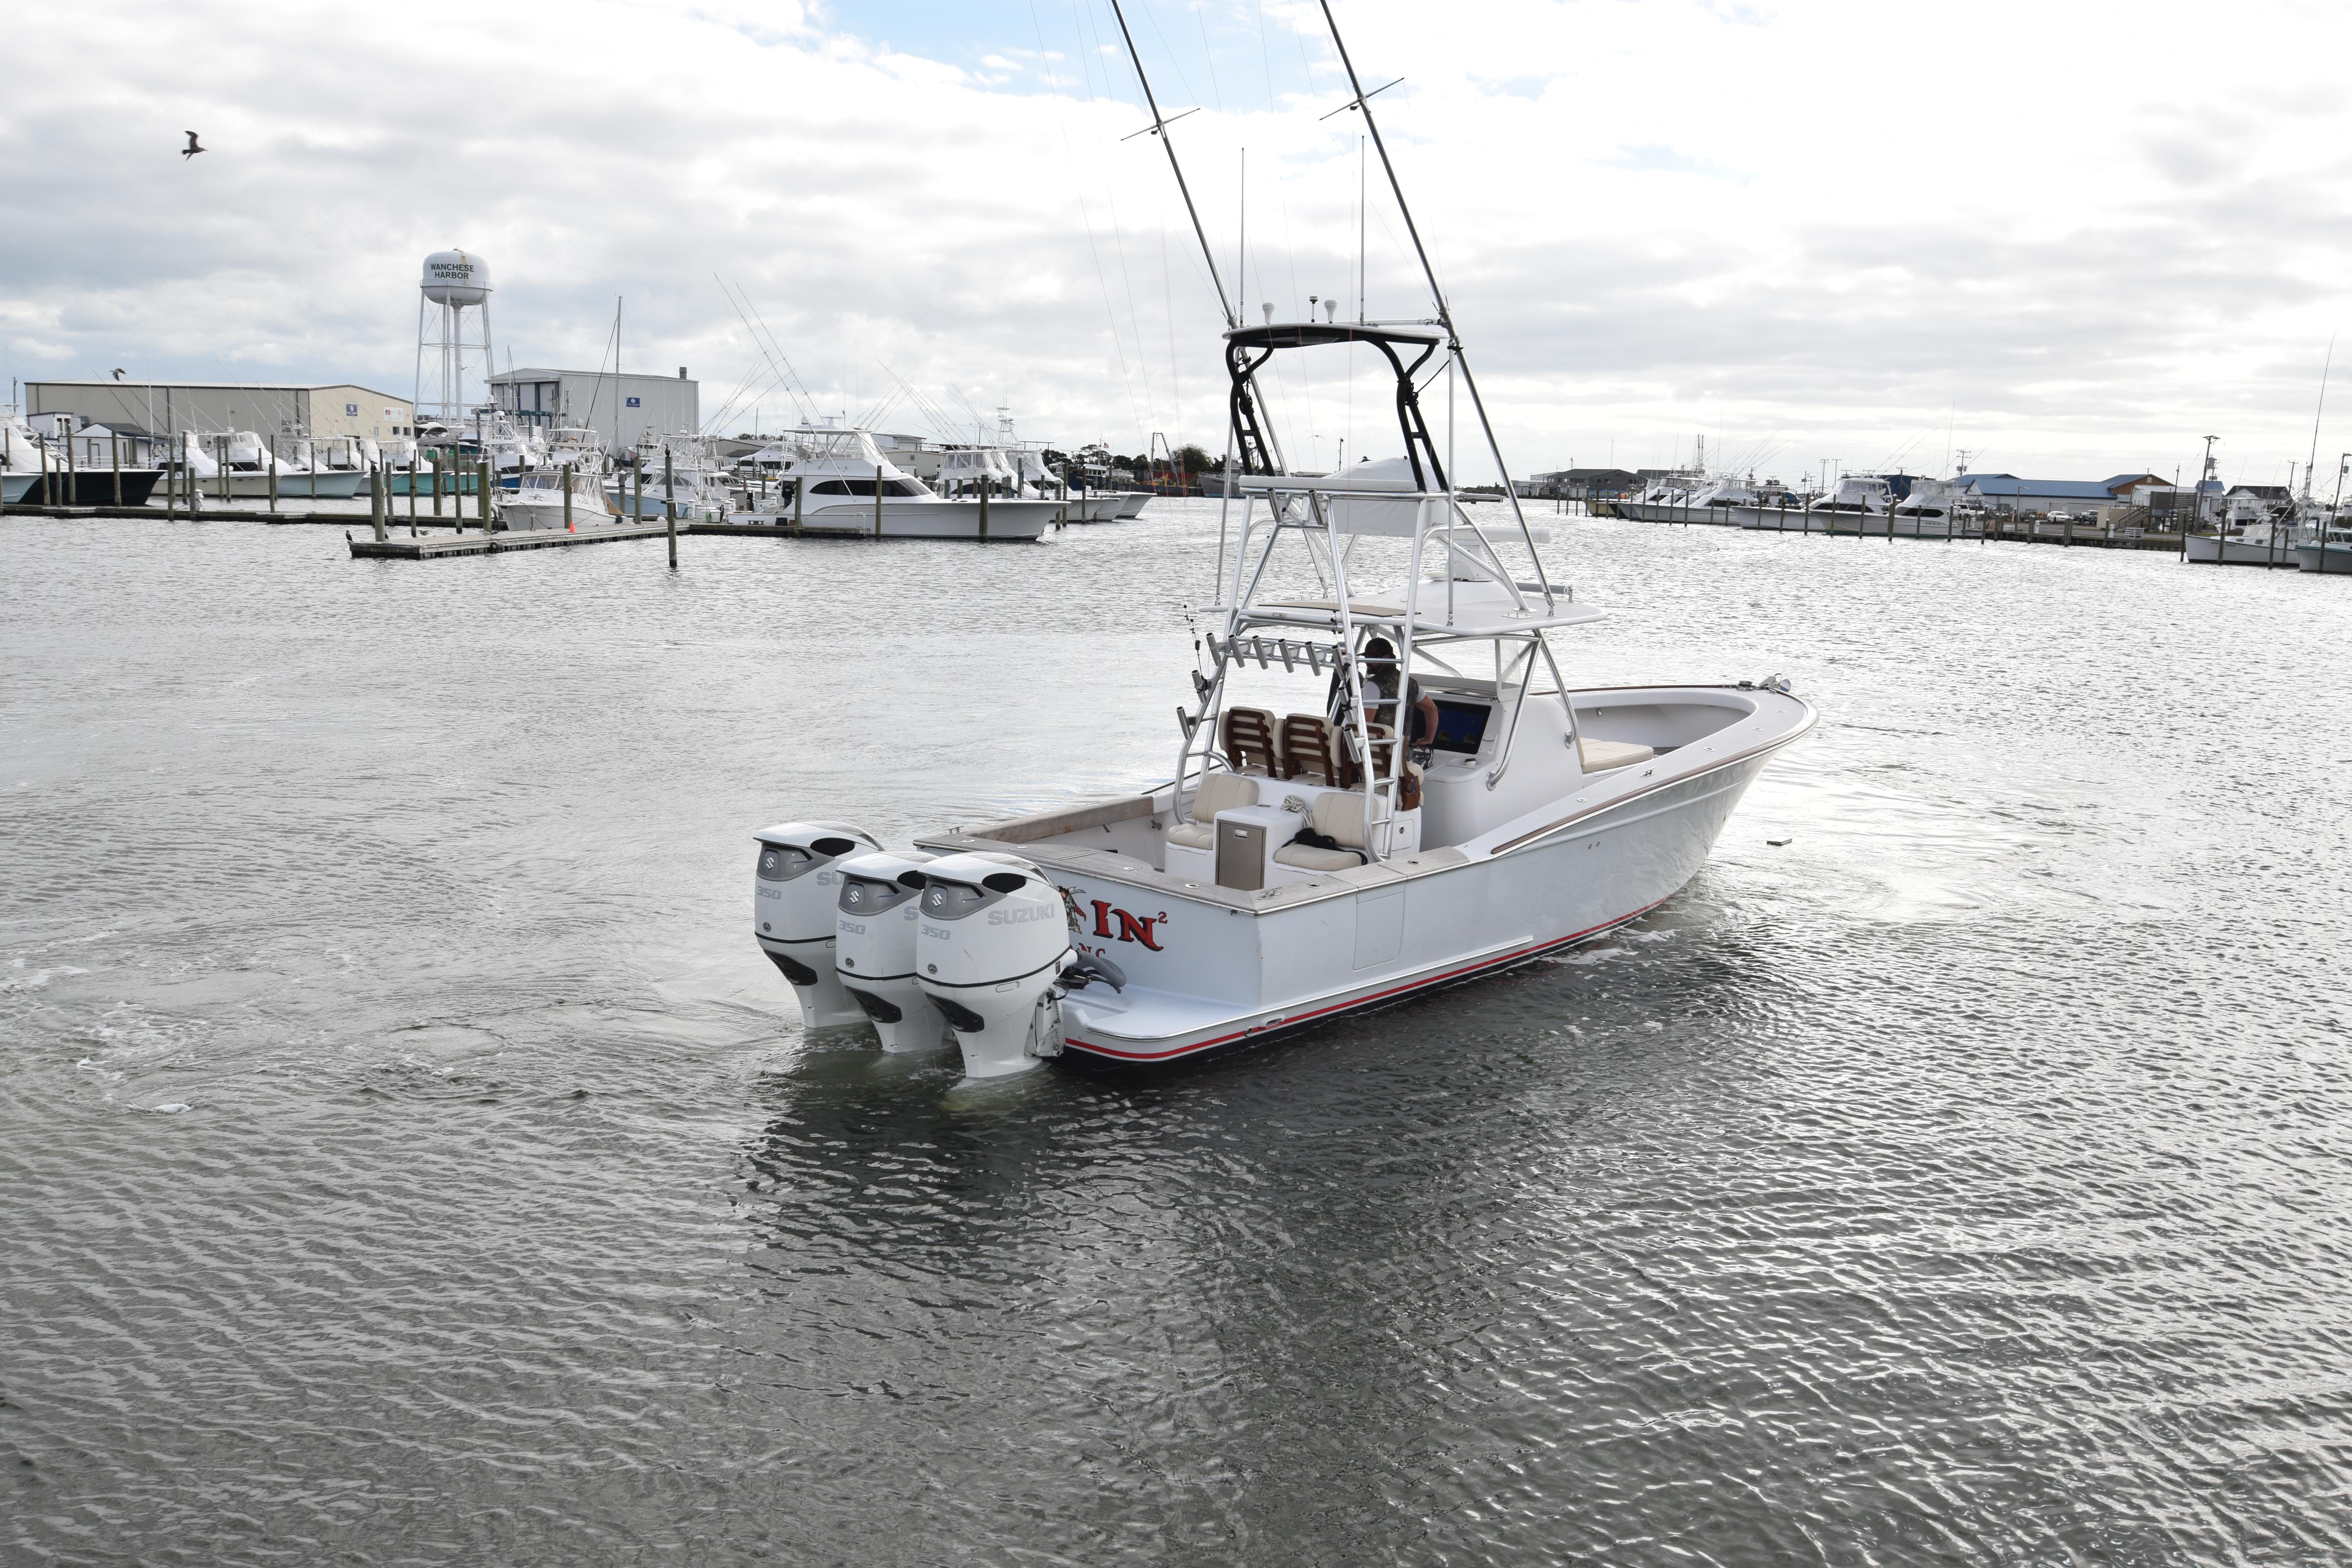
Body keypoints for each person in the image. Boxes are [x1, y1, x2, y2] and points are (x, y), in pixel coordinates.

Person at [1339, 637, 1437, 809]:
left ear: (1387, 658)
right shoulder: (1410, 683)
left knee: (1378, 797)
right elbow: (1432, 710)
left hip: (1377, 754)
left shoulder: (1372, 686)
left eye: (1373, 658)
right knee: (1395, 795)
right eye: (1367, 657)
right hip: (1401, 753)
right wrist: (1428, 739)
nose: (1368, 662)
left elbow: (1367, 725)